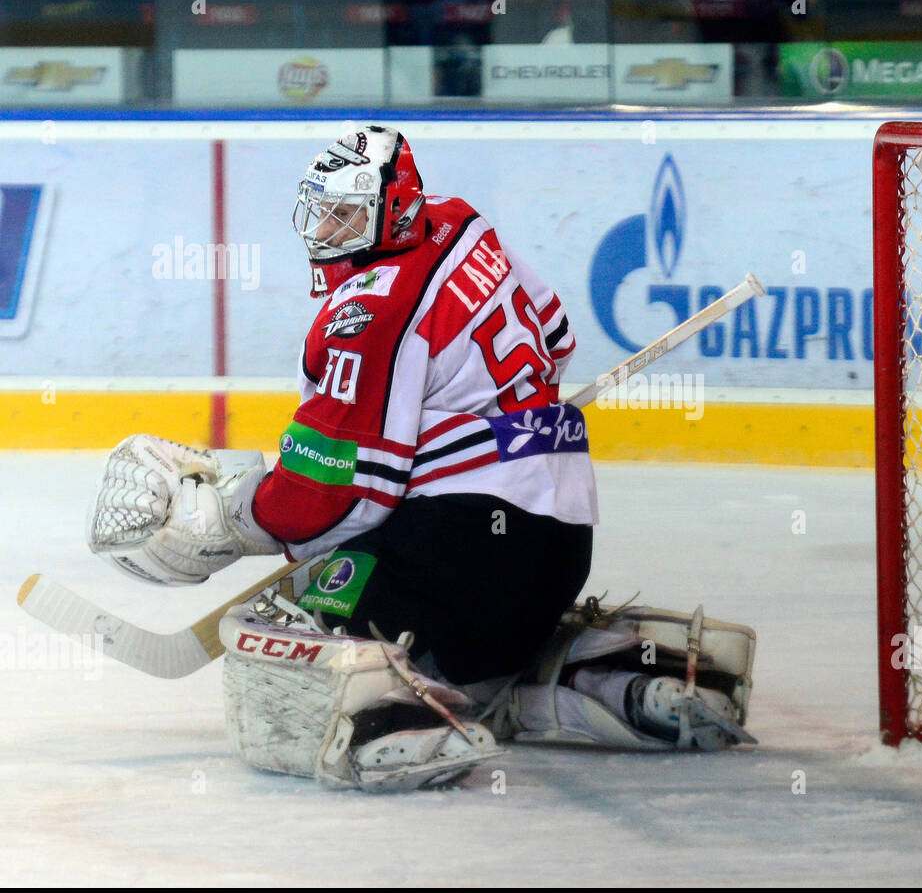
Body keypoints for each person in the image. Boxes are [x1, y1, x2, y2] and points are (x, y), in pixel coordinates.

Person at [87, 126, 755, 791]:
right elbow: (555, 334)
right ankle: (589, 673)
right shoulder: (463, 224)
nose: (326, 228)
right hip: (560, 546)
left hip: (460, 555)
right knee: (476, 637)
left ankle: (397, 714)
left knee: (291, 621)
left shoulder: (367, 312)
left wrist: (237, 521)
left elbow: (339, 493)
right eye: (322, 208)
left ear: (394, 210)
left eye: (346, 213)